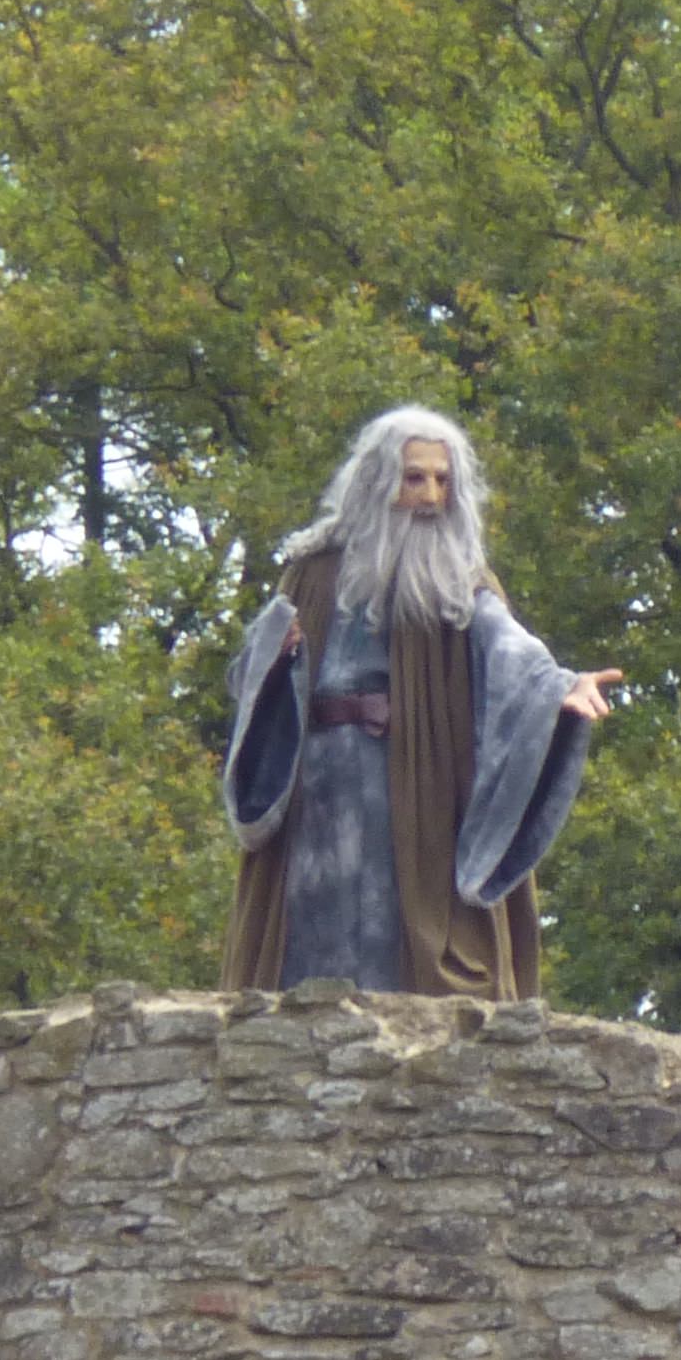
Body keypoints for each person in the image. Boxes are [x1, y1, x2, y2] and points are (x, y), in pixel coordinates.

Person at [219, 406, 620, 998]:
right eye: (415, 478)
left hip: (413, 789)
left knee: (404, 935)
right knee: (306, 943)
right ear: (379, 481)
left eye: (442, 479)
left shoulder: (458, 578)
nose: (431, 494)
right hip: (316, 793)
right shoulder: (310, 570)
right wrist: (275, 658)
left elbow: (509, 646)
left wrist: (558, 685)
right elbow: (251, 674)